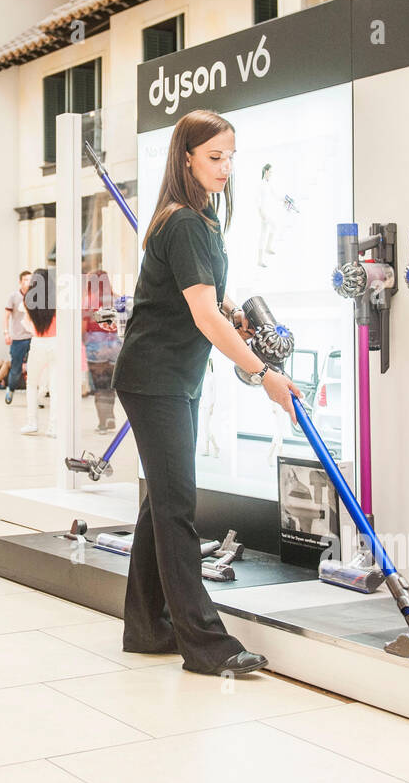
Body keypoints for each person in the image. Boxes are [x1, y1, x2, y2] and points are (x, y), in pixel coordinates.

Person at [112, 108, 301, 677]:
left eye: (231, 157)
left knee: (161, 504)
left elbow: (207, 304)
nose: (226, 168)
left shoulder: (198, 216)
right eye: (215, 157)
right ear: (187, 157)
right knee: (176, 508)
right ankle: (205, 645)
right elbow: (202, 316)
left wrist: (231, 312)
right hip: (156, 379)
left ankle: (148, 628)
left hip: (174, 378)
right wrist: (261, 374)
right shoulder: (187, 222)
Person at [82, 268, 120, 433]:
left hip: (95, 346)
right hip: (114, 345)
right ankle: (110, 416)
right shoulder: (116, 299)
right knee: (110, 384)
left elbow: (83, 328)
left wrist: (82, 342)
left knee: (100, 385)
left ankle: (103, 423)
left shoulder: (88, 301)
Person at [20, 268, 56, 437]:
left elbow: (27, 325)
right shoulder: (57, 299)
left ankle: (32, 422)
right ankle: (53, 427)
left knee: (32, 383)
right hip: (57, 343)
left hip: (38, 342)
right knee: (56, 386)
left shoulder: (28, 300)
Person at [3, 271, 32, 404]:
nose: (28, 282)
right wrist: (6, 333)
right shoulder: (13, 296)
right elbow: (6, 316)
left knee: (34, 368)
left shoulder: (35, 296)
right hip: (18, 339)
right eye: (25, 279)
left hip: (33, 337)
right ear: (20, 282)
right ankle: (11, 389)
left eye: (30, 280)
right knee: (16, 368)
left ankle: (35, 397)